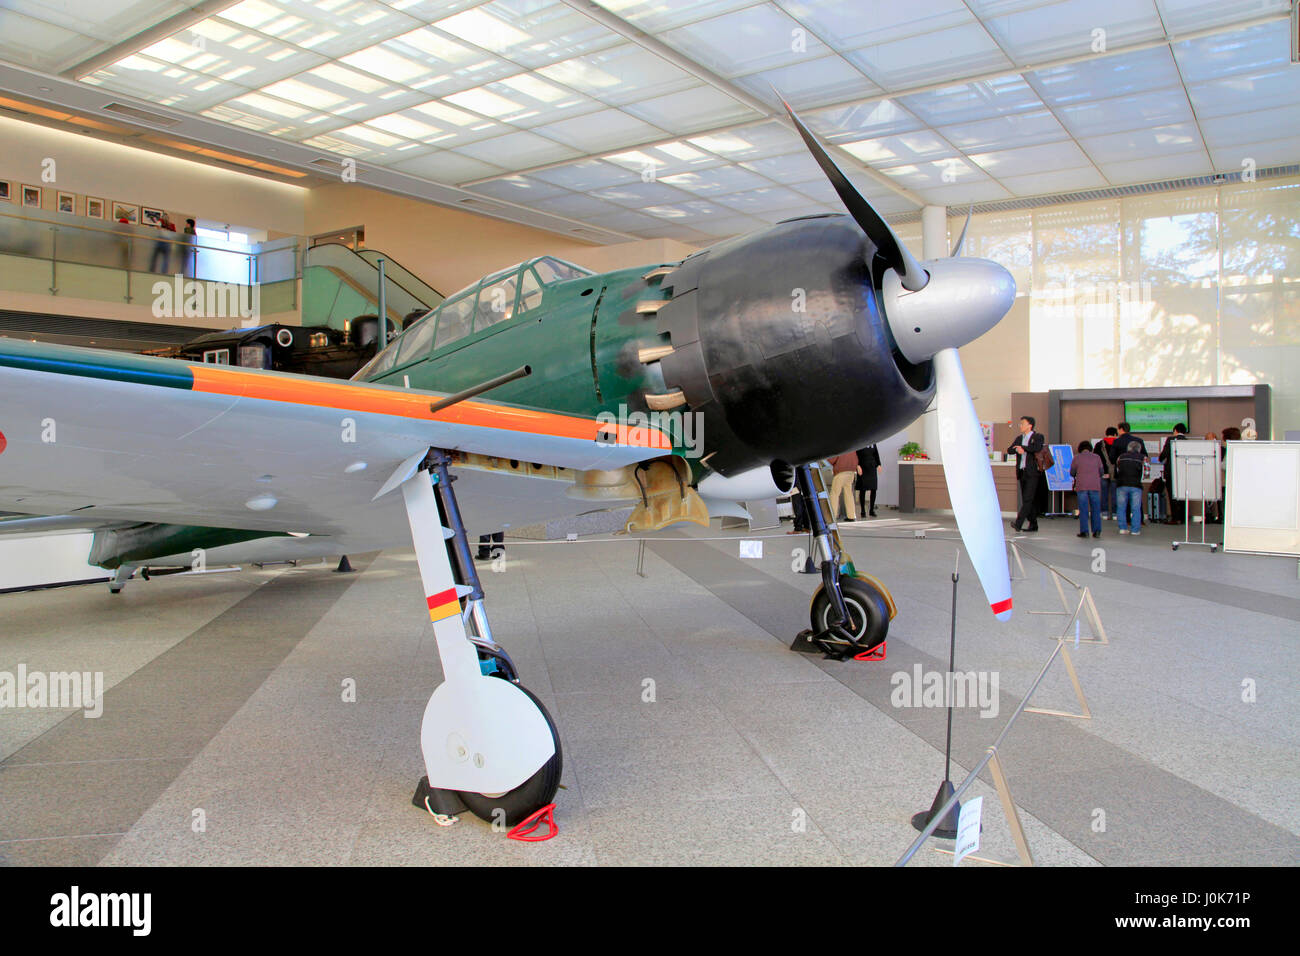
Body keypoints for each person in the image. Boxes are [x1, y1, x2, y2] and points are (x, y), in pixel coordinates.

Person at [1007, 415, 1044, 533]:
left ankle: (1018, 523)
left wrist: (1024, 448)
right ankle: (1034, 524)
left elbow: (1037, 448)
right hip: (1022, 472)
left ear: (1030, 425)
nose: (1020, 426)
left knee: (1027, 499)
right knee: (1028, 500)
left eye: (1022, 423)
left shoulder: (1037, 437)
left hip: (1033, 472)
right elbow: (1009, 449)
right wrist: (1017, 449)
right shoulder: (1019, 438)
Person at [1070, 440, 1104, 538]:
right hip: (1094, 486)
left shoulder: (1076, 458)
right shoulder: (1097, 457)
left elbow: (1072, 473)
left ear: (1080, 449)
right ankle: (1097, 531)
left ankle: (1084, 532)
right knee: (1096, 509)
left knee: (1083, 509)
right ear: (1091, 448)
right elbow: (1101, 472)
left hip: (1082, 487)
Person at [1159, 423, 1189, 524]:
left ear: (1175, 430)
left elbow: (1164, 455)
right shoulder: (1187, 442)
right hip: (1184, 473)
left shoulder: (1170, 440)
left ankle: (1175, 518)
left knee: (1173, 495)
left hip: (1171, 472)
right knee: (1184, 495)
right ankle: (1184, 518)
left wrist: (1160, 458)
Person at [1114, 442, 1145, 535]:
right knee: (1136, 508)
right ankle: (1135, 530)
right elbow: (1146, 472)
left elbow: (1117, 470)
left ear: (1128, 448)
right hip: (1136, 485)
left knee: (1121, 508)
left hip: (1121, 484)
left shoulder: (1121, 457)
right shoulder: (1143, 458)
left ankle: (1122, 528)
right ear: (1139, 449)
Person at [1093, 426, 1119, 519]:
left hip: (1103, 472)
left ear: (1106, 433)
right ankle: (1115, 514)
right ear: (1115, 434)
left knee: (1103, 494)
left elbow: (1095, 458)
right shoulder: (1118, 444)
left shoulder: (1099, 444)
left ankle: (1104, 513)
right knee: (1115, 494)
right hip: (1115, 473)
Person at [829, 451, 859, 522]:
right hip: (851, 471)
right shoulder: (852, 447)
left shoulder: (840, 446)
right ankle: (851, 516)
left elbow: (832, 459)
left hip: (840, 472)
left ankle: (833, 515)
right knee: (849, 493)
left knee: (834, 494)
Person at [855, 444, 881, 518]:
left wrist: (878, 464)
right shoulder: (860, 443)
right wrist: (857, 466)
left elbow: (876, 454)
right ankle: (863, 510)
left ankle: (871, 510)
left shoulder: (873, 443)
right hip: (862, 468)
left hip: (872, 467)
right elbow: (855, 455)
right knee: (862, 489)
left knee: (874, 489)